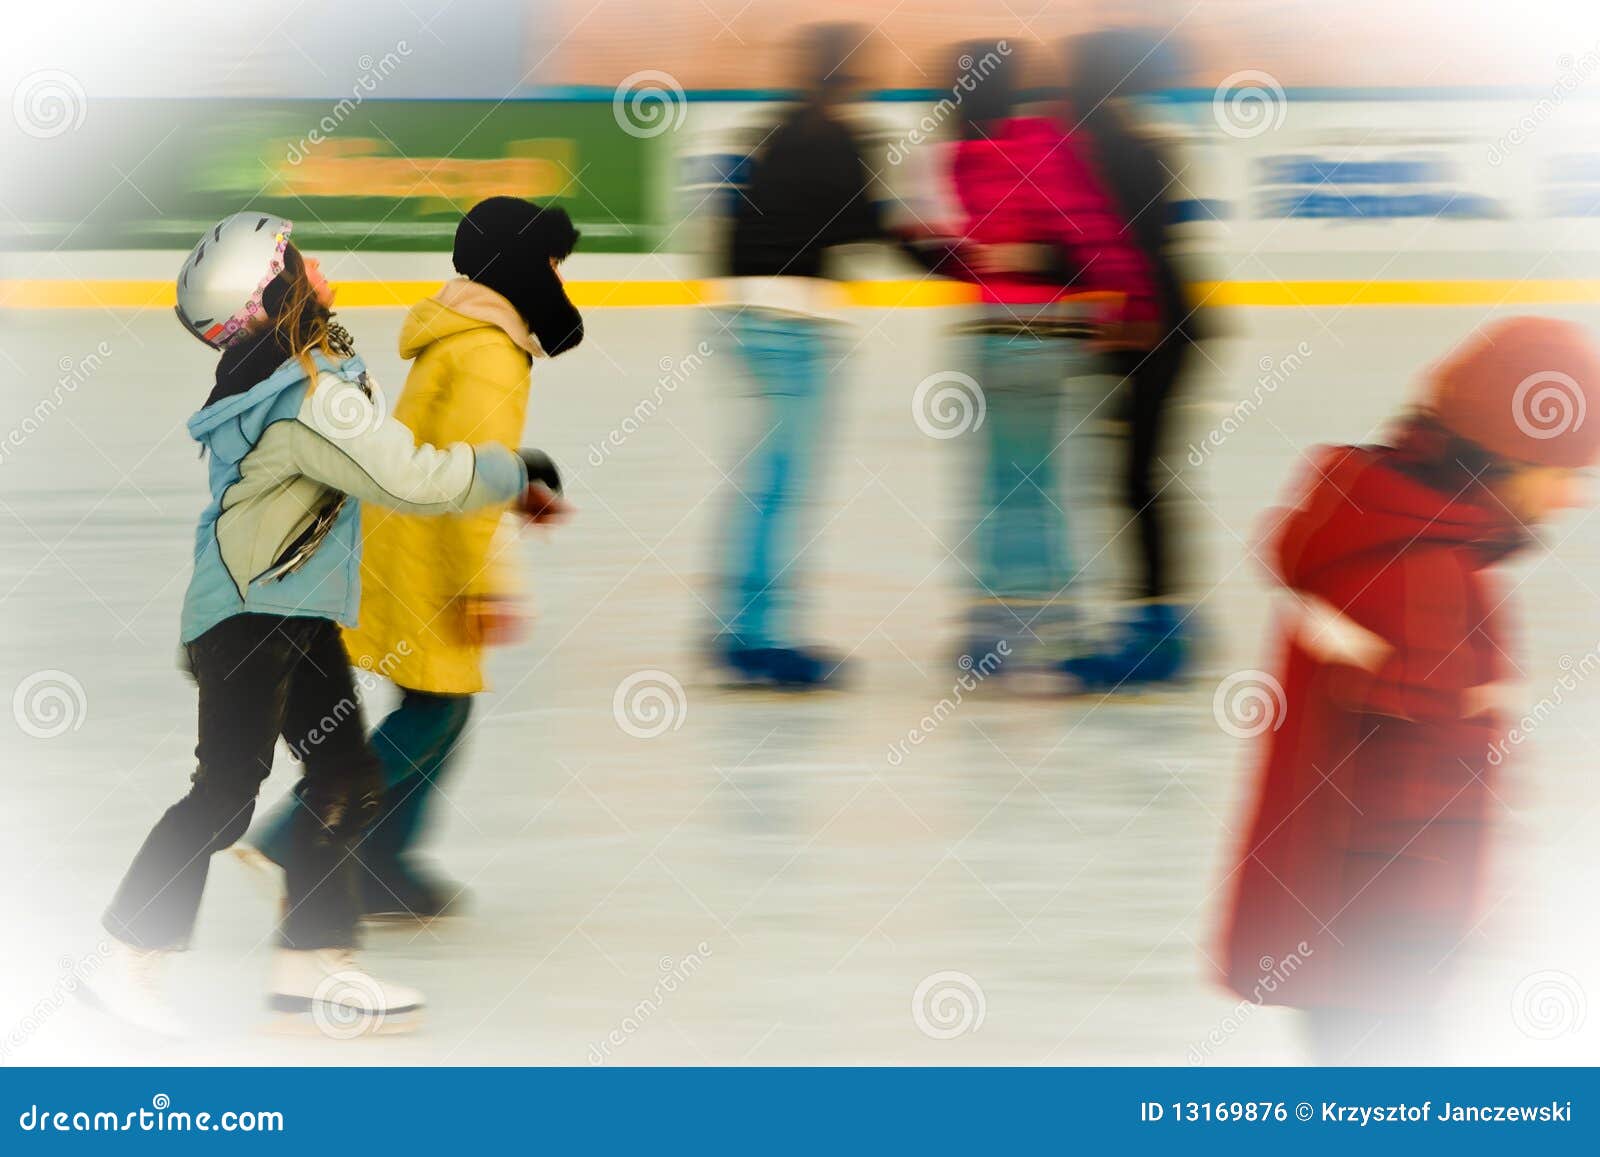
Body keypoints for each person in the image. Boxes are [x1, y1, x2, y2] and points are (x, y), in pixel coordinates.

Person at [86, 212, 564, 1036]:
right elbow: (413, 479)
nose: (324, 279)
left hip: (292, 614)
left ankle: (310, 973)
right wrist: (512, 470)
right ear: (272, 300)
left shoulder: (294, 376)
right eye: (303, 272)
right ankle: (125, 959)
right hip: (250, 621)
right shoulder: (308, 401)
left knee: (346, 778)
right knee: (226, 795)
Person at [1217, 317, 1600, 1063]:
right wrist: (1426, 949)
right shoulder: (1430, 584)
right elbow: (1419, 799)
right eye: (1559, 471)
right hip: (1380, 958)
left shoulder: (1366, 531)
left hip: (1329, 938)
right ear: (1496, 455)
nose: (1567, 498)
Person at [249, 197, 582, 920]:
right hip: (433, 551)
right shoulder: (494, 353)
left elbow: (456, 452)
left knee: (440, 709)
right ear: (526, 265)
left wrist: (518, 487)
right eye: (553, 261)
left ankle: (380, 864)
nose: (560, 277)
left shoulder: (463, 330)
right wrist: (487, 582)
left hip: (403, 532)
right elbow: (467, 477)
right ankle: (297, 833)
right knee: (436, 713)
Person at [907, 41, 1157, 673]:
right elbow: (1093, 227)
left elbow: (942, 243)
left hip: (989, 334)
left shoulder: (956, 153)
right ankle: (1061, 621)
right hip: (1051, 335)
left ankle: (988, 631)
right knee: (1047, 486)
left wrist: (983, 257)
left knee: (992, 486)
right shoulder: (1045, 141)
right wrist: (1127, 301)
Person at [712, 23, 888, 689]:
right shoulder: (838, 138)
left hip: (746, 317)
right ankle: (755, 635)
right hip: (794, 323)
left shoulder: (776, 130)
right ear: (848, 78)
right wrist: (960, 261)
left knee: (767, 478)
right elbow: (868, 224)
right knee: (784, 482)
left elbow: (735, 225)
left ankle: (744, 627)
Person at [1058, 29, 1203, 689]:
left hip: (1156, 326)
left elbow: (1110, 243)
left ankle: (1161, 628)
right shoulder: (1138, 142)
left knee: (1136, 476)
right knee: (1138, 475)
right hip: (1163, 321)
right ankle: (1163, 620)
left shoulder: (1106, 147)